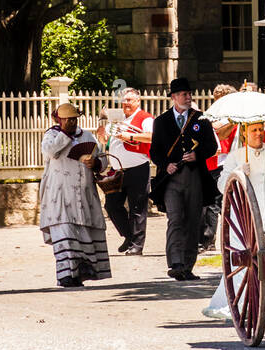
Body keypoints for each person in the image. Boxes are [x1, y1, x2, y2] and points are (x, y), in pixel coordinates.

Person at [202, 119, 265, 321]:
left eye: (261, 129)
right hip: (246, 215)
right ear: (245, 133)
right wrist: (239, 171)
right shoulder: (235, 156)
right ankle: (246, 303)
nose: (259, 134)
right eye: (254, 130)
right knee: (248, 261)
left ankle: (264, 300)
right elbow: (222, 184)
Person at [150, 77, 218, 281]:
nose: (188, 97)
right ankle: (175, 262)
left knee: (193, 221)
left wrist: (198, 155)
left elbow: (212, 147)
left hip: (195, 176)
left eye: (189, 94)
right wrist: (165, 164)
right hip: (171, 179)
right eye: (183, 94)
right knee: (175, 219)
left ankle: (187, 265)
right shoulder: (161, 121)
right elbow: (154, 150)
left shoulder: (201, 119)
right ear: (173, 97)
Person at [40, 102, 111, 288]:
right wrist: (64, 134)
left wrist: (95, 164)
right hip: (60, 194)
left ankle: (80, 273)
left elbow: (102, 158)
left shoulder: (86, 135)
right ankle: (65, 275)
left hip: (84, 194)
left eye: (74, 119)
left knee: (83, 232)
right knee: (64, 230)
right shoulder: (52, 135)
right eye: (67, 119)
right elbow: (50, 152)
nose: (71, 122)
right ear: (59, 119)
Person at [102, 87, 154, 255]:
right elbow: (105, 138)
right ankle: (129, 236)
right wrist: (101, 130)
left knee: (137, 208)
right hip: (117, 169)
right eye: (124, 101)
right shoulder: (117, 119)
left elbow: (151, 136)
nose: (126, 104)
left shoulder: (145, 118)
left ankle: (137, 246)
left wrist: (130, 137)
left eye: (129, 100)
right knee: (111, 205)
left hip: (138, 169)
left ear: (138, 101)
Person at [201, 83, 237, 248]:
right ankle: (209, 238)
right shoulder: (213, 115)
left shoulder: (234, 117)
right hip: (213, 163)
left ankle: (211, 238)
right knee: (212, 203)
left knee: (217, 204)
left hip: (226, 162)